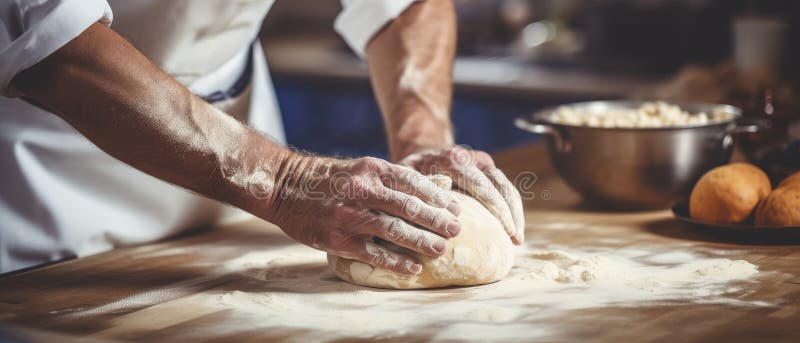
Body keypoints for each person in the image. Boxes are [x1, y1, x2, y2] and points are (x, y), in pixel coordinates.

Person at [0, 0, 524, 274]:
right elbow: (52, 43)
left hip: (242, 164)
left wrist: (419, 140)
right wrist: (284, 180)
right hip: (53, 180)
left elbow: (405, 4)